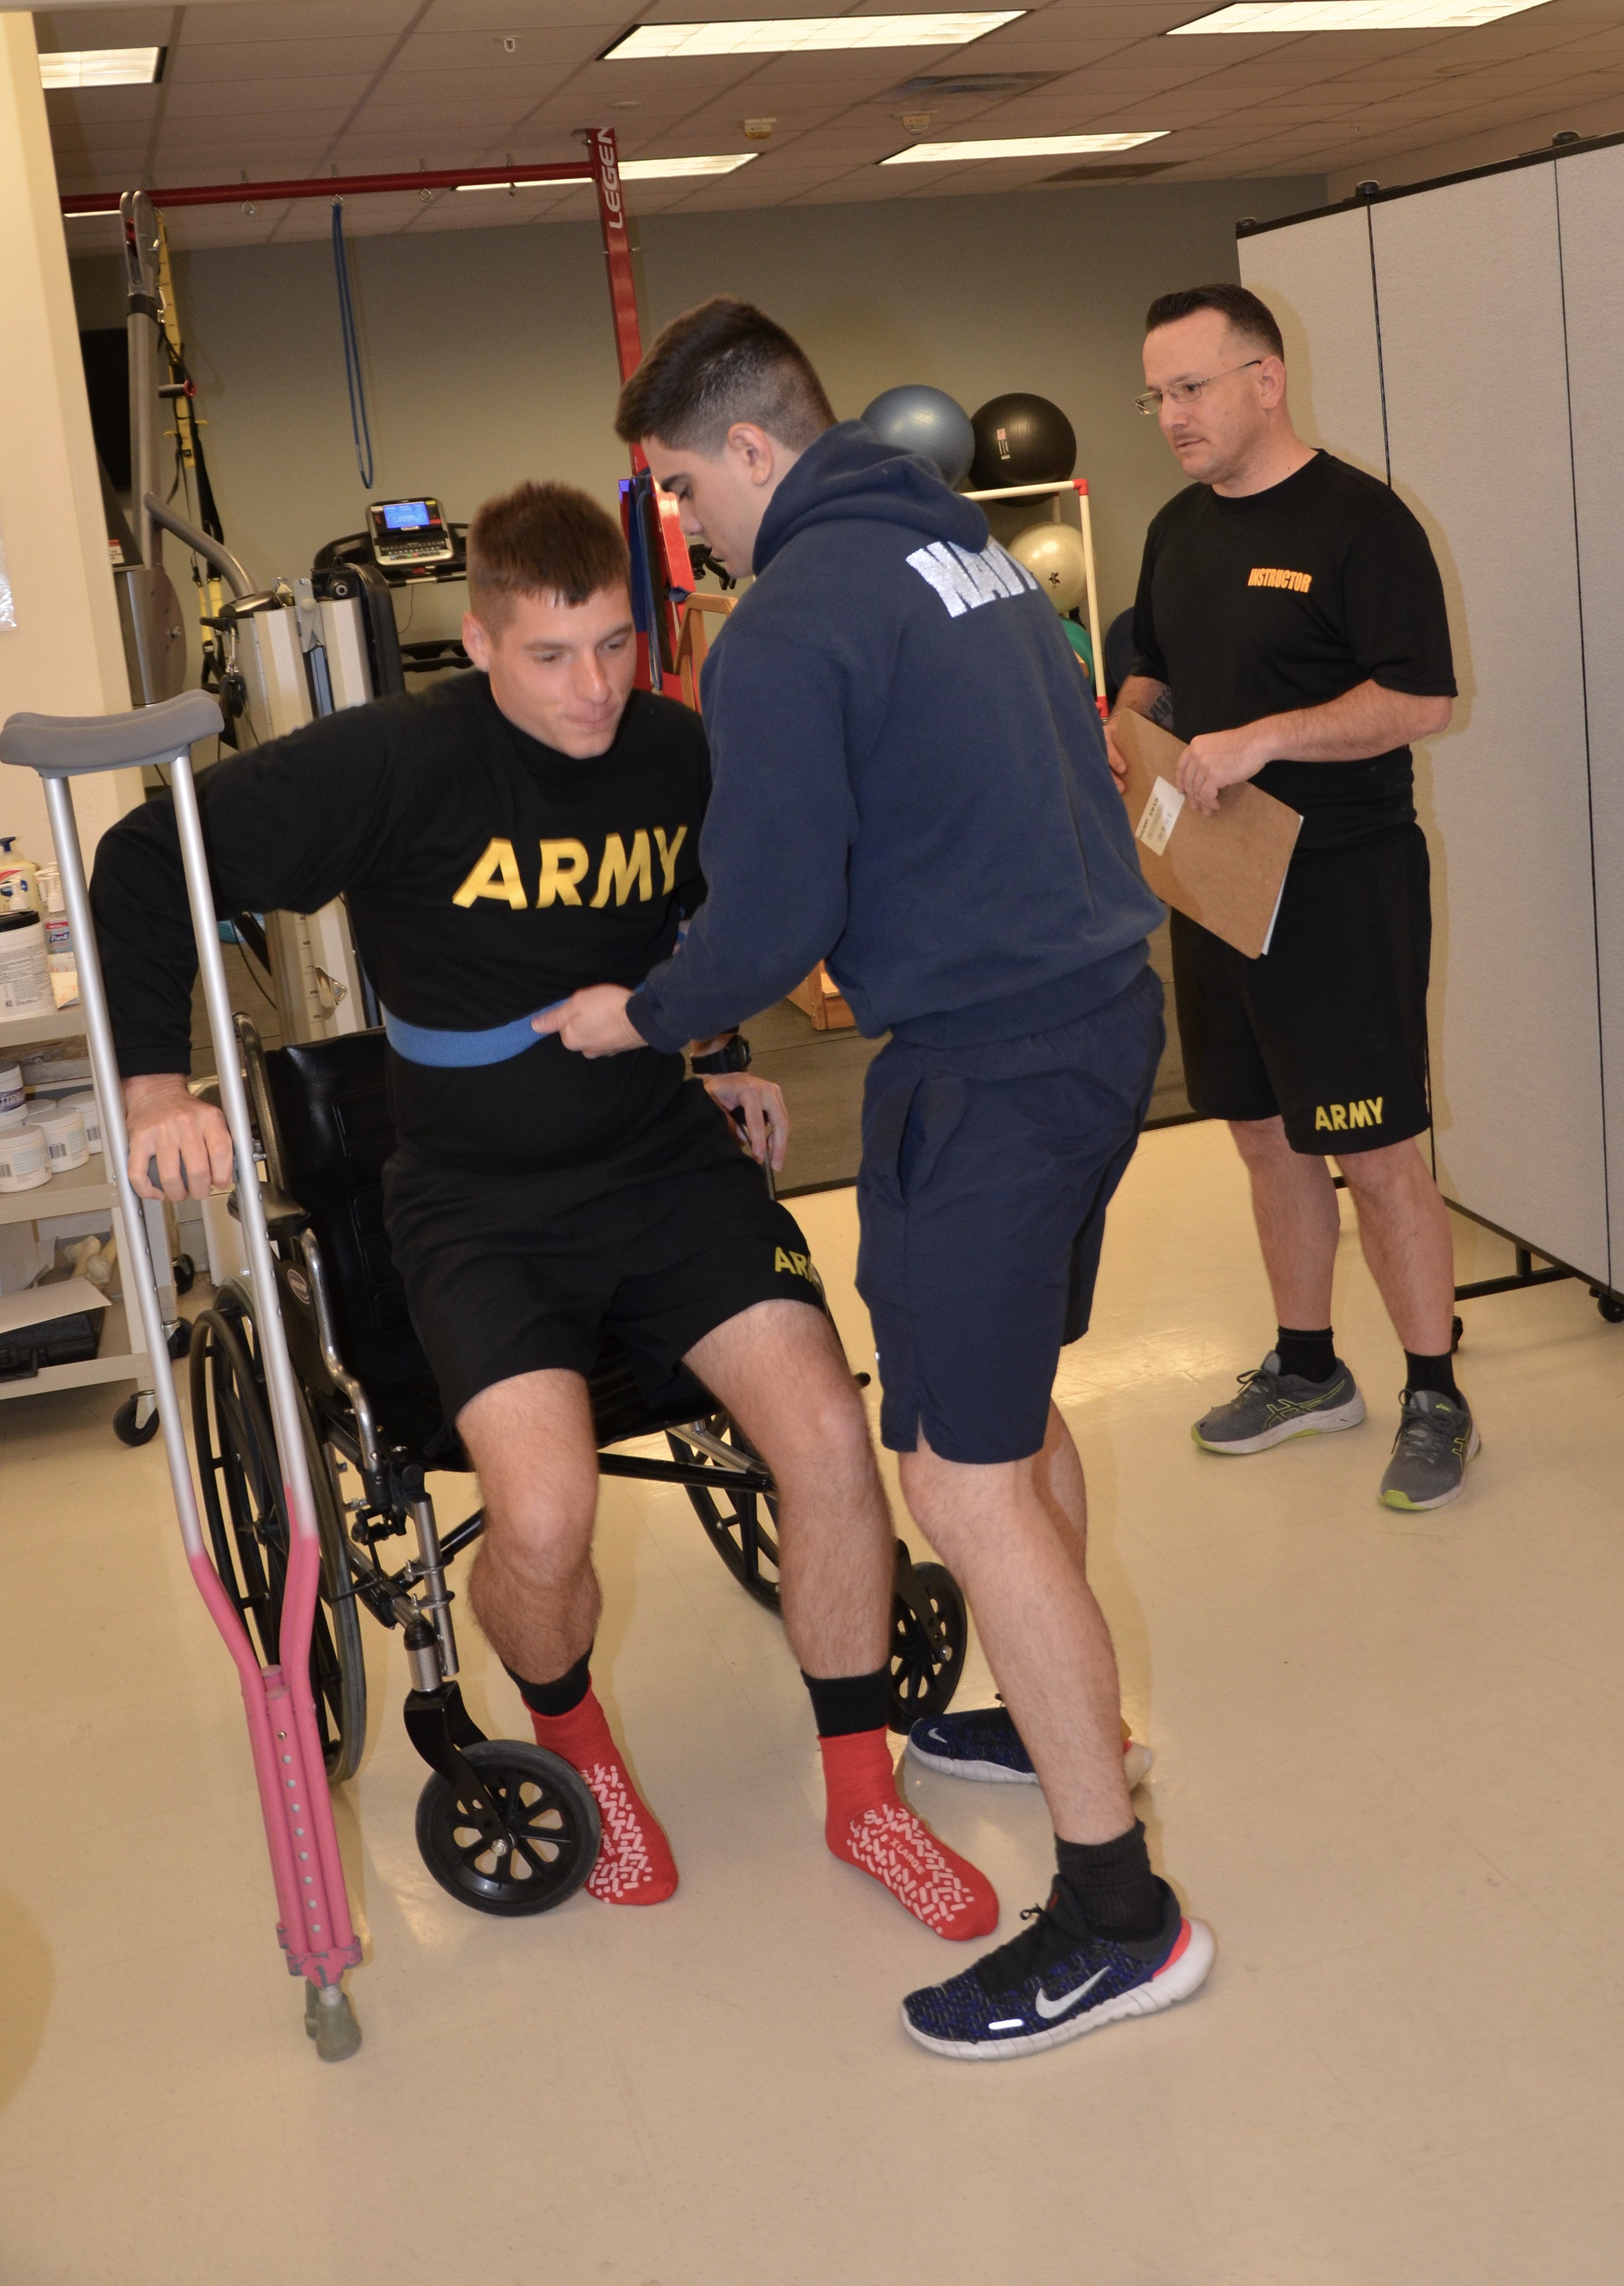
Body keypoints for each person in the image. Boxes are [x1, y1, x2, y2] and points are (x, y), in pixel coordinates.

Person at [91, 479, 999, 1943]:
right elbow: (148, 861)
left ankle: (861, 1791)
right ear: (481, 639)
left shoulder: (678, 751)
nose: (589, 691)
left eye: (612, 648)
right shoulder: (397, 764)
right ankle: (576, 1744)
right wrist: (150, 1089)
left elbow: (719, 918)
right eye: (548, 657)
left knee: (831, 1446)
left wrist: (714, 1050)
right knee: (543, 1514)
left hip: (659, 1161)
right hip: (477, 1202)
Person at [536, 299, 1215, 2062]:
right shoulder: (960, 544)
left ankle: (1119, 1912)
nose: (683, 529)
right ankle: (1078, 1719)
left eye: (683, 489)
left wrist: (650, 1011)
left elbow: (771, 913)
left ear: (751, 449)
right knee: (1008, 1419)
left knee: (958, 1476)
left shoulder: (789, 623)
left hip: (986, 1071)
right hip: (1093, 1027)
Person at [1107, 282, 1469, 1512]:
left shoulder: (1362, 524)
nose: (1170, 415)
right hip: (1212, 879)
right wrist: (1128, 724)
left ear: (1264, 380)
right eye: (1155, 395)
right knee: (1260, 1138)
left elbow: (1418, 699)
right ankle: (1309, 1368)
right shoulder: (1174, 527)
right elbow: (1150, 660)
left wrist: (1263, 738)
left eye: (1190, 388)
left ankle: (1433, 1390)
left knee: (1372, 1153)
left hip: (1337, 885)